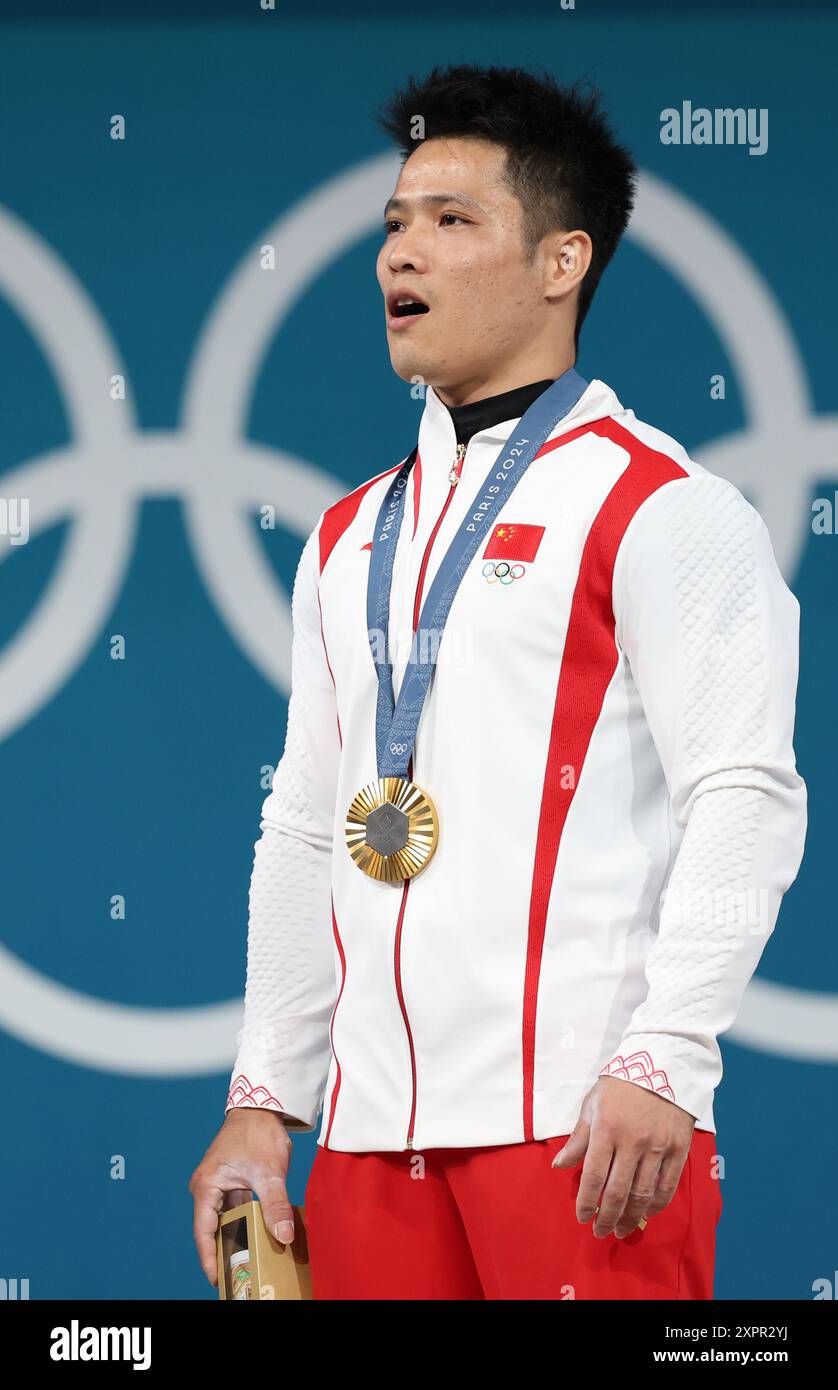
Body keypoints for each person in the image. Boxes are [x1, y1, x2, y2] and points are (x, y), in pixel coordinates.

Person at [189, 63, 807, 1300]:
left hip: (583, 1132)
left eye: (452, 220)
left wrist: (664, 1059)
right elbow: (305, 827)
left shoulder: (662, 507)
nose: (398, 255)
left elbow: (744, 797)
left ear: (562, 260)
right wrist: (265, 1099)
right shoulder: (346, 534)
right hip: (368, 1145)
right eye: (394, 223)